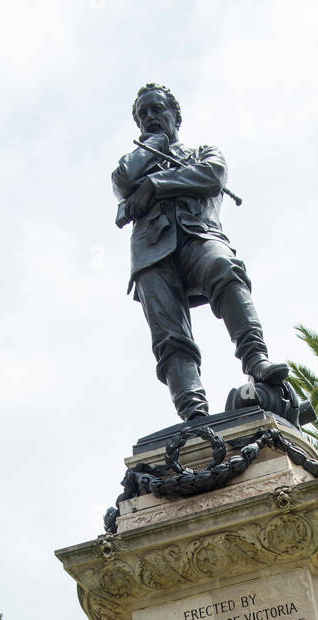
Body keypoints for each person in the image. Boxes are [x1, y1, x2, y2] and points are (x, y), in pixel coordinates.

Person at [113, 83, 288, 421]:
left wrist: (155, 186)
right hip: (152, 251)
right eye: (142, 114)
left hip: (198, 236)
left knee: (225, 268)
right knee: (169, 334)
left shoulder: (203, 152)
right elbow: (122, 181)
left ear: (175, 115)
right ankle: (193, 414)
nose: (150, 117)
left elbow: (212, 175)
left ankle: (256, 360)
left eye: (156, 109)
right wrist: (153, 146)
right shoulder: (136, 161)